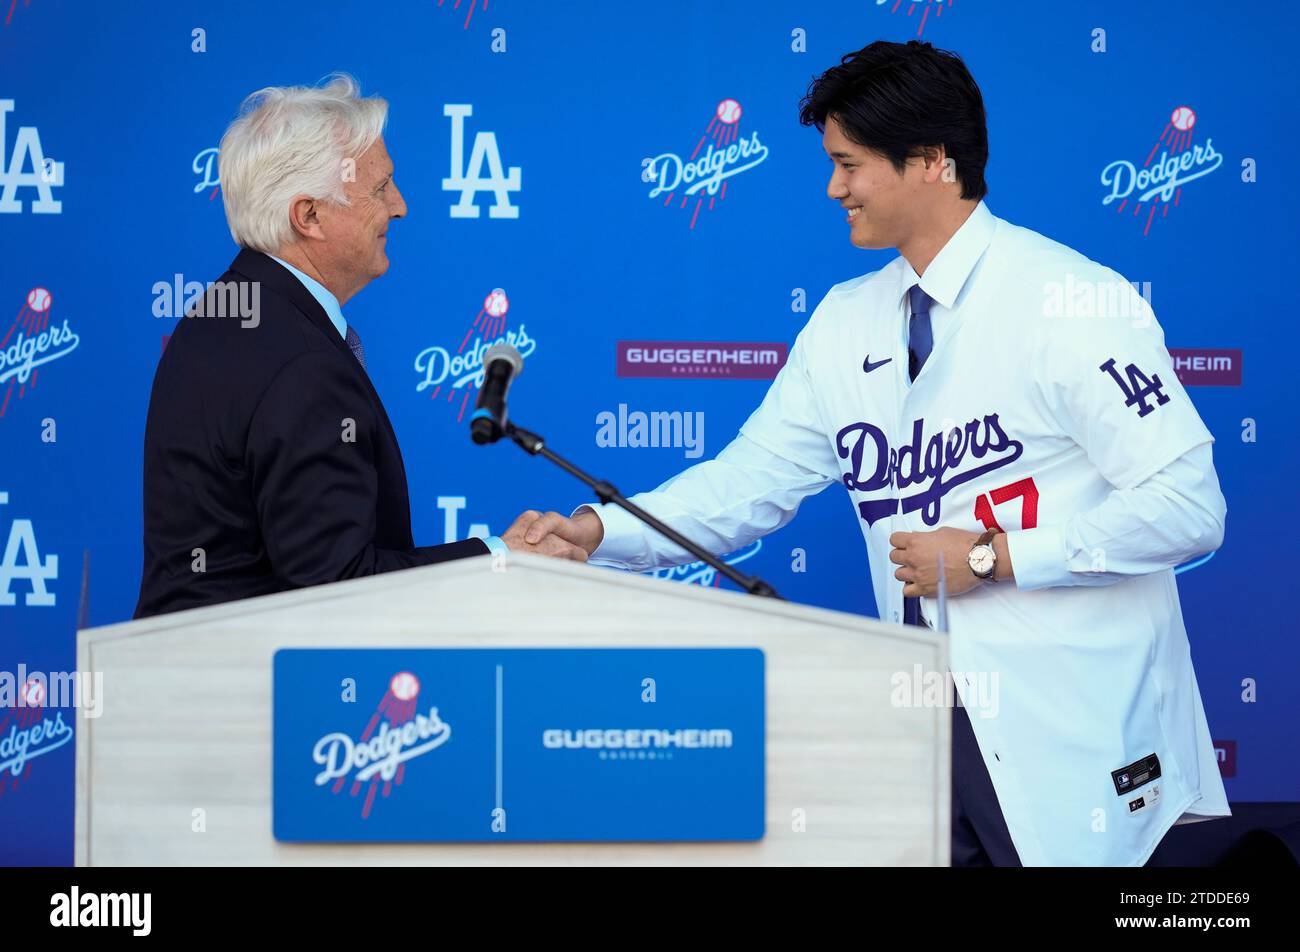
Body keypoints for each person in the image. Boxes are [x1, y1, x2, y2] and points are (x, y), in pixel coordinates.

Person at [522, 41, 1229, 866]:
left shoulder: (1070, 301)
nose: (833, 188)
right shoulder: (846, 319)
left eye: (848, 164)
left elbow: (1189, 508)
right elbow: (749, 481)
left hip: (1074, 719)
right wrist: (602, 533)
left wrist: (996, 557)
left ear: (931, 160)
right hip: (931, 718)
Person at [135, 75, 583, 619]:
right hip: (249, 692)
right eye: (379, 189)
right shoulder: (301, 362)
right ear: (309, 216)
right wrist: (500, 560)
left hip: (186, 675)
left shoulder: (224, 312)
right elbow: (336, 585)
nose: (400, 206)